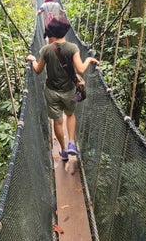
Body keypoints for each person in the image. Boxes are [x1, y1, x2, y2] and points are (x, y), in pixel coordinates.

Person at [27, 16, 99, 161]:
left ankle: (64, 150)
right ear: (66, 31)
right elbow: (80, 69)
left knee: (57, 121)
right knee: (70, 115)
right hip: (69, 90)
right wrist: (89, 60)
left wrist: (33, 60)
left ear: (51, 32)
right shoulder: (72, 48)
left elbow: (38, 70)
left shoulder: (45, 50)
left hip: (52, 92)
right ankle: (72, 143)